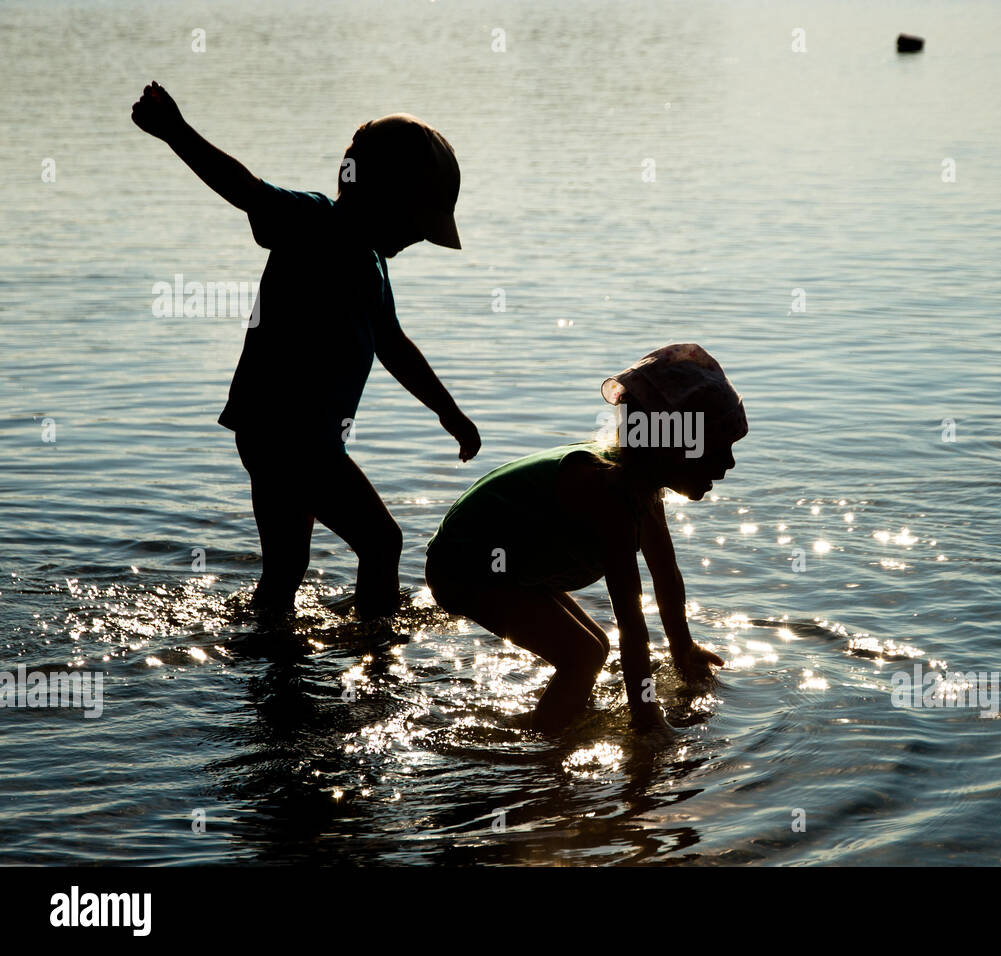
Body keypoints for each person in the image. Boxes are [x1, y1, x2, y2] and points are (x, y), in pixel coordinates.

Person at [131, 82, 480, 618]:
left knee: (285, 571)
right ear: (382, 193)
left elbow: (393, 344)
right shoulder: (312, 222)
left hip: (283, 434)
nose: (417, 240)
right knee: (382, 543)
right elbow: (243, 187)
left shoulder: (372, 261)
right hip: (290, 436)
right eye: (416, 224)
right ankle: (378, 659)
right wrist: (175, 131)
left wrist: (448, 411)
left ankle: (270, 662)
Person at [425, 344, 745, 734]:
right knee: (583, 654)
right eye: (719, 448)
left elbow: (665, 573)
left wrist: (682, 647)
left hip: (511, 567)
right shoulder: (607, 492)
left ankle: (551, 728)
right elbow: (631, 621)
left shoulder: (642, 484)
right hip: (464, 566)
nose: (729, 462)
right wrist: (646, 718)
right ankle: (536, 746)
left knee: (595, 648)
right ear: (673, 447)